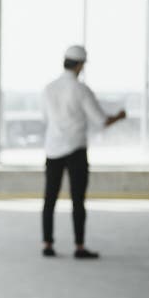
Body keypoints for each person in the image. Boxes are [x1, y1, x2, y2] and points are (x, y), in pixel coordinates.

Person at [41, 45, 126, 259]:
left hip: (52, 149)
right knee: (78, 199)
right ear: (80, 65)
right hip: (76, 150)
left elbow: (45, 118)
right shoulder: (81, 90)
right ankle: (79, 247)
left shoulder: (48, 88)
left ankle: (47, 244)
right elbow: (100, 121)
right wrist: (120, 116)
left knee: (49, 198)